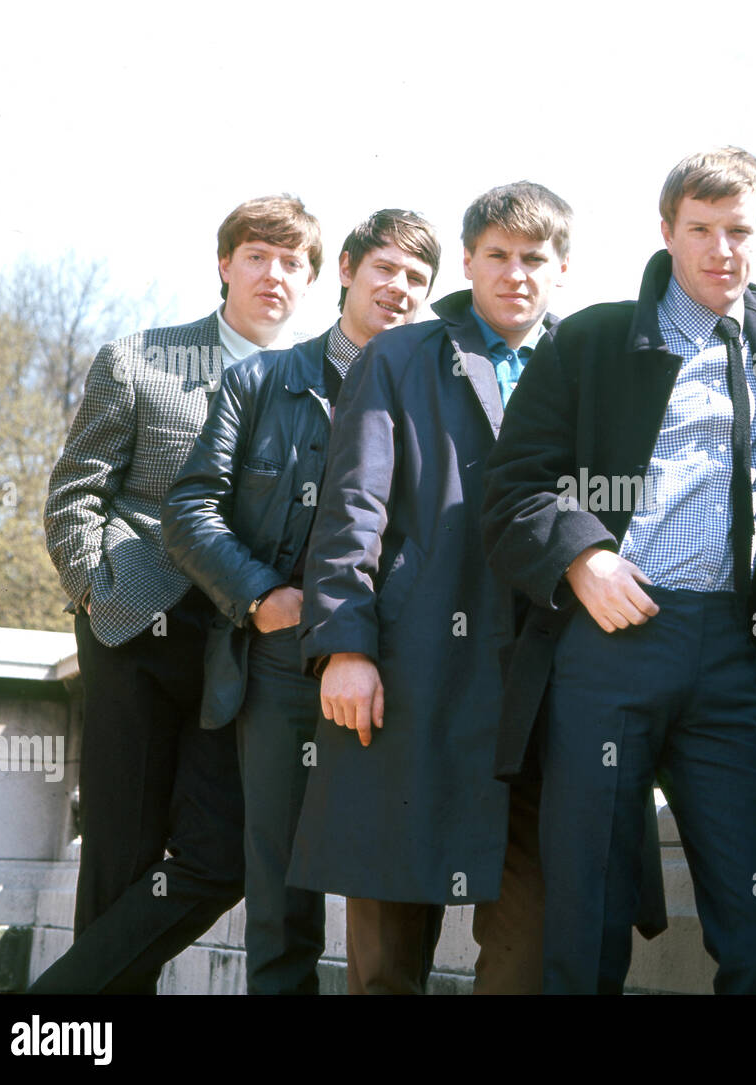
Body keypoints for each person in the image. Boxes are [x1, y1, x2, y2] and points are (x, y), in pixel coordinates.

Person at [481, 146, 756, 994]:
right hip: (610, 638)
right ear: (667, 233)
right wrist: (581, 557)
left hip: (729, 655)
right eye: (701, 230)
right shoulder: (594, 339)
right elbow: (510, 491)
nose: (722, 249)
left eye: (739, 231)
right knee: (589, 915)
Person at [286, 182, 572, 994]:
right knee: (386, 948)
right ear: (472, 262)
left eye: (534, 259)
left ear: (562, 271)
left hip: (544, 681)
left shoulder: (580, 362)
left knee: (531, 942)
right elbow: (352, 510)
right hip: (412, 671)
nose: (515, 273)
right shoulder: (400, 356)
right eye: (497, 255)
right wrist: (343, 644)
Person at [36, 194, 322, 993]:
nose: (274, 273)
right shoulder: (140, 360)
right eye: (258, 255)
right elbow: (75, 491)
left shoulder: (313, 389)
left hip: (241, 646)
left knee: (221, 851)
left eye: (292, 261)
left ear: (310, 280)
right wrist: (95, 588)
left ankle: (55, 1003)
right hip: (136, 622)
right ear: (225, 264)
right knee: (121, 854)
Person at [162, 210, 440, 994]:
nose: (399, 289)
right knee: (279, 881)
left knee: (390, 874)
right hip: (282, 661)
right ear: (346, 269)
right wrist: (257, 595)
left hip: (389, 659)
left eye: (417, 279)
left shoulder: (431, 392)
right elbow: (189, 507)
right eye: (385, 269)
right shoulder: (261, 379)